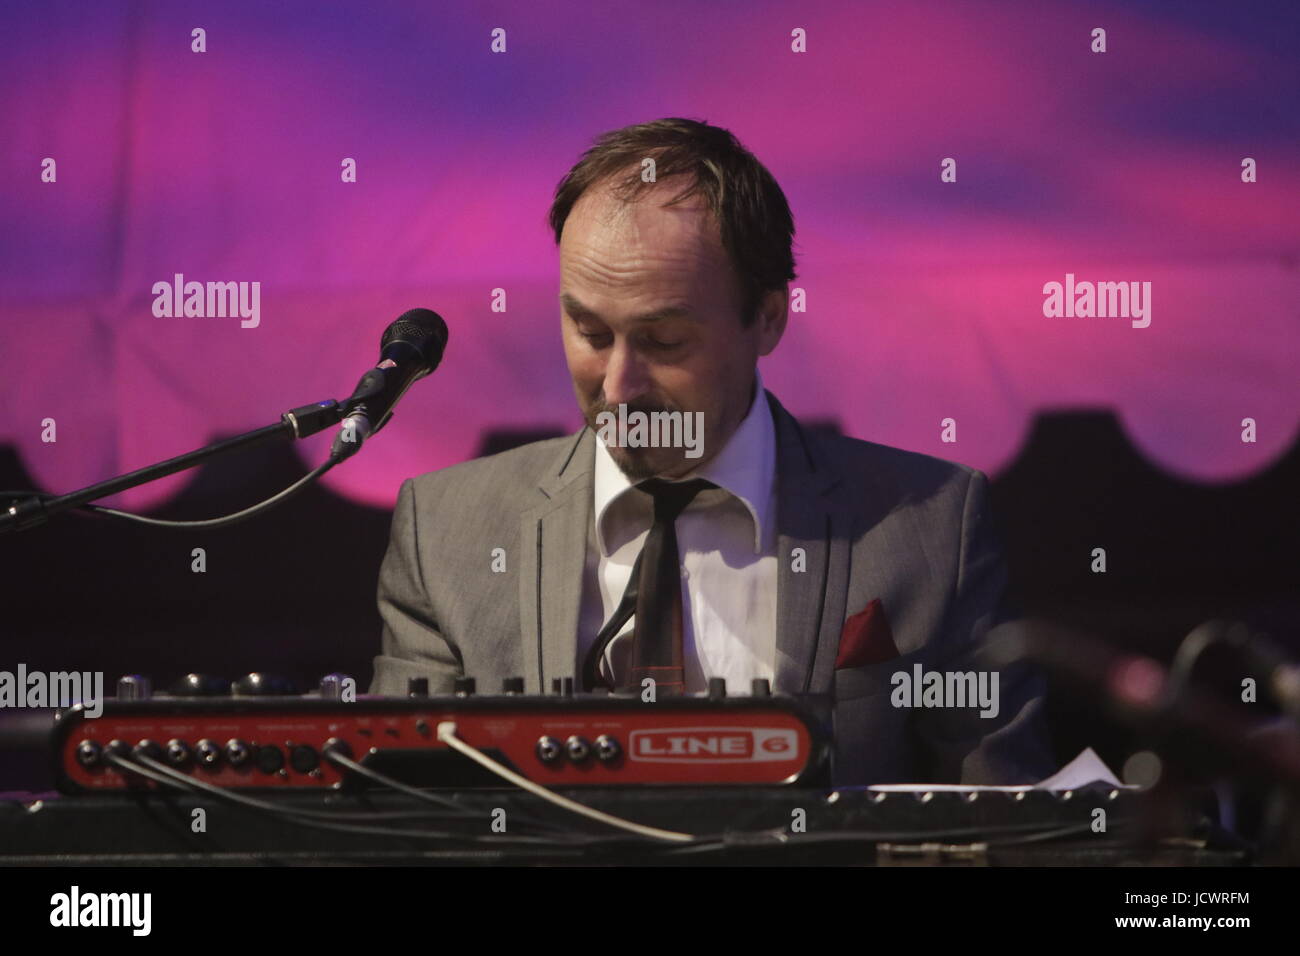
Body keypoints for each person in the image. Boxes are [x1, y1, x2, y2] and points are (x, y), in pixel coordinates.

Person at [369, 117, 1054, 786]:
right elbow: (396, 813)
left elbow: (1009, 817)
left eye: (665, 342)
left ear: (769, 318)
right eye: (591, 332)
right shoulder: (446, 532)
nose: (619, 387)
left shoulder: (932, 527)